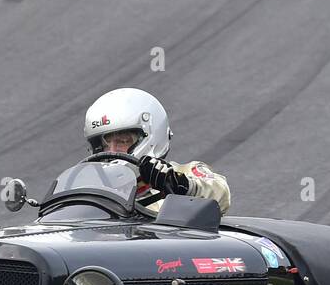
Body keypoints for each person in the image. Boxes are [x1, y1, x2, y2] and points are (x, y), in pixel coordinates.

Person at [83, 88, 231, 215]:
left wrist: (179, 185)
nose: (112, 151)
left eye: (122, 141)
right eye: (104, 145)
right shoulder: (90, 192)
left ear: (150, 136)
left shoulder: (185, 173)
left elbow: (221, 194)